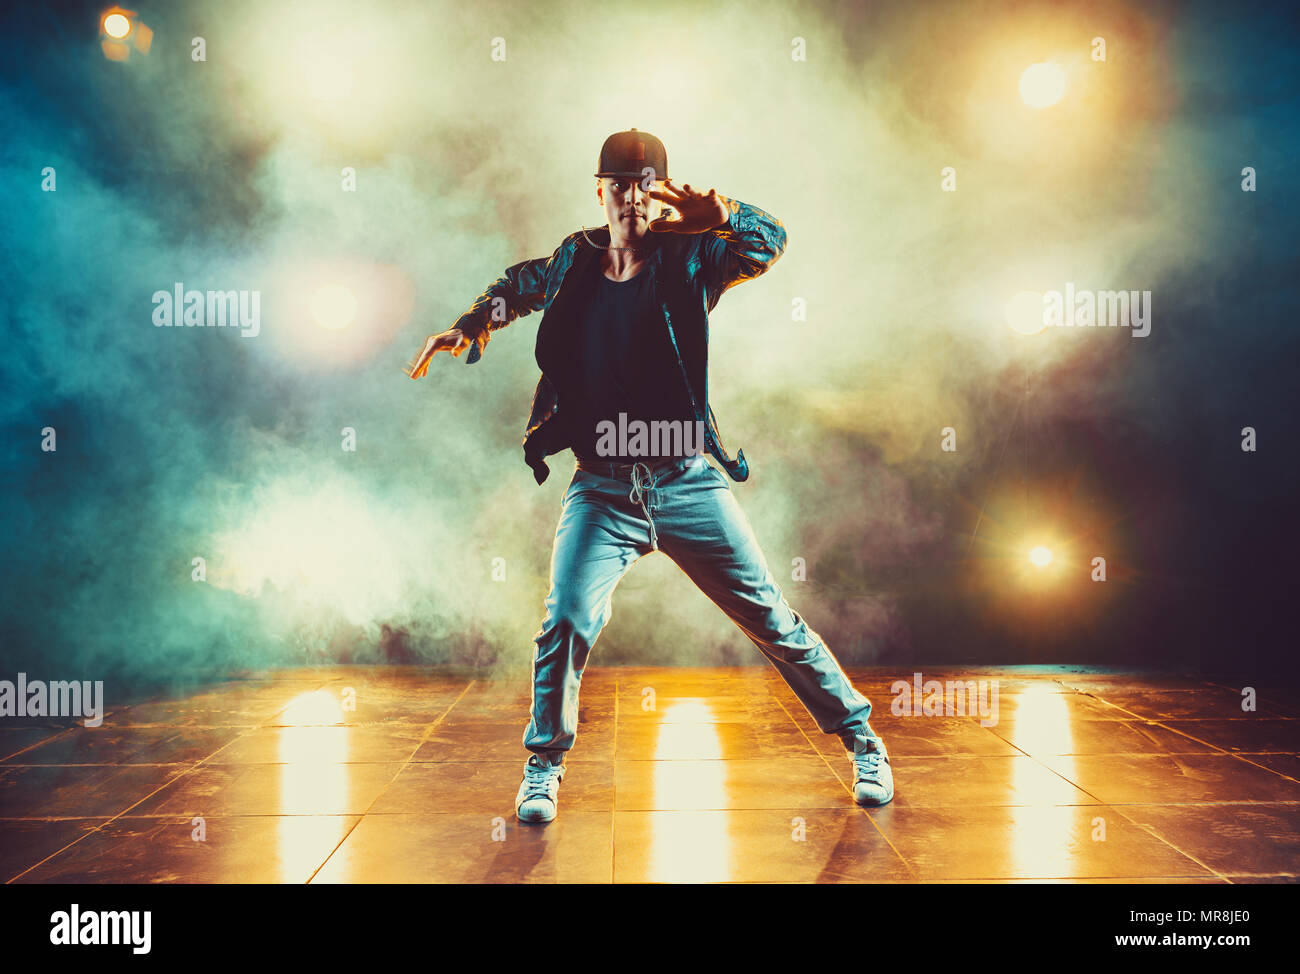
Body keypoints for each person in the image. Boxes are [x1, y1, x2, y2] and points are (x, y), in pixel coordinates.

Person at [406, 128, 893, 823]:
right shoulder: (575, 259)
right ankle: (543, 765)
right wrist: (474, 324)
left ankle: (863, 740)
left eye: (646, 184)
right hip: (603, 489)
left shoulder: (691, 256)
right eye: (619, 183)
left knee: (772, 619)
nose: (631, 197)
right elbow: (520, 286)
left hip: (686, 481)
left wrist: (722, 212)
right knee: (566, 620)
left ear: (662, 193)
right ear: (599, 190)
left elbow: (771, 239)